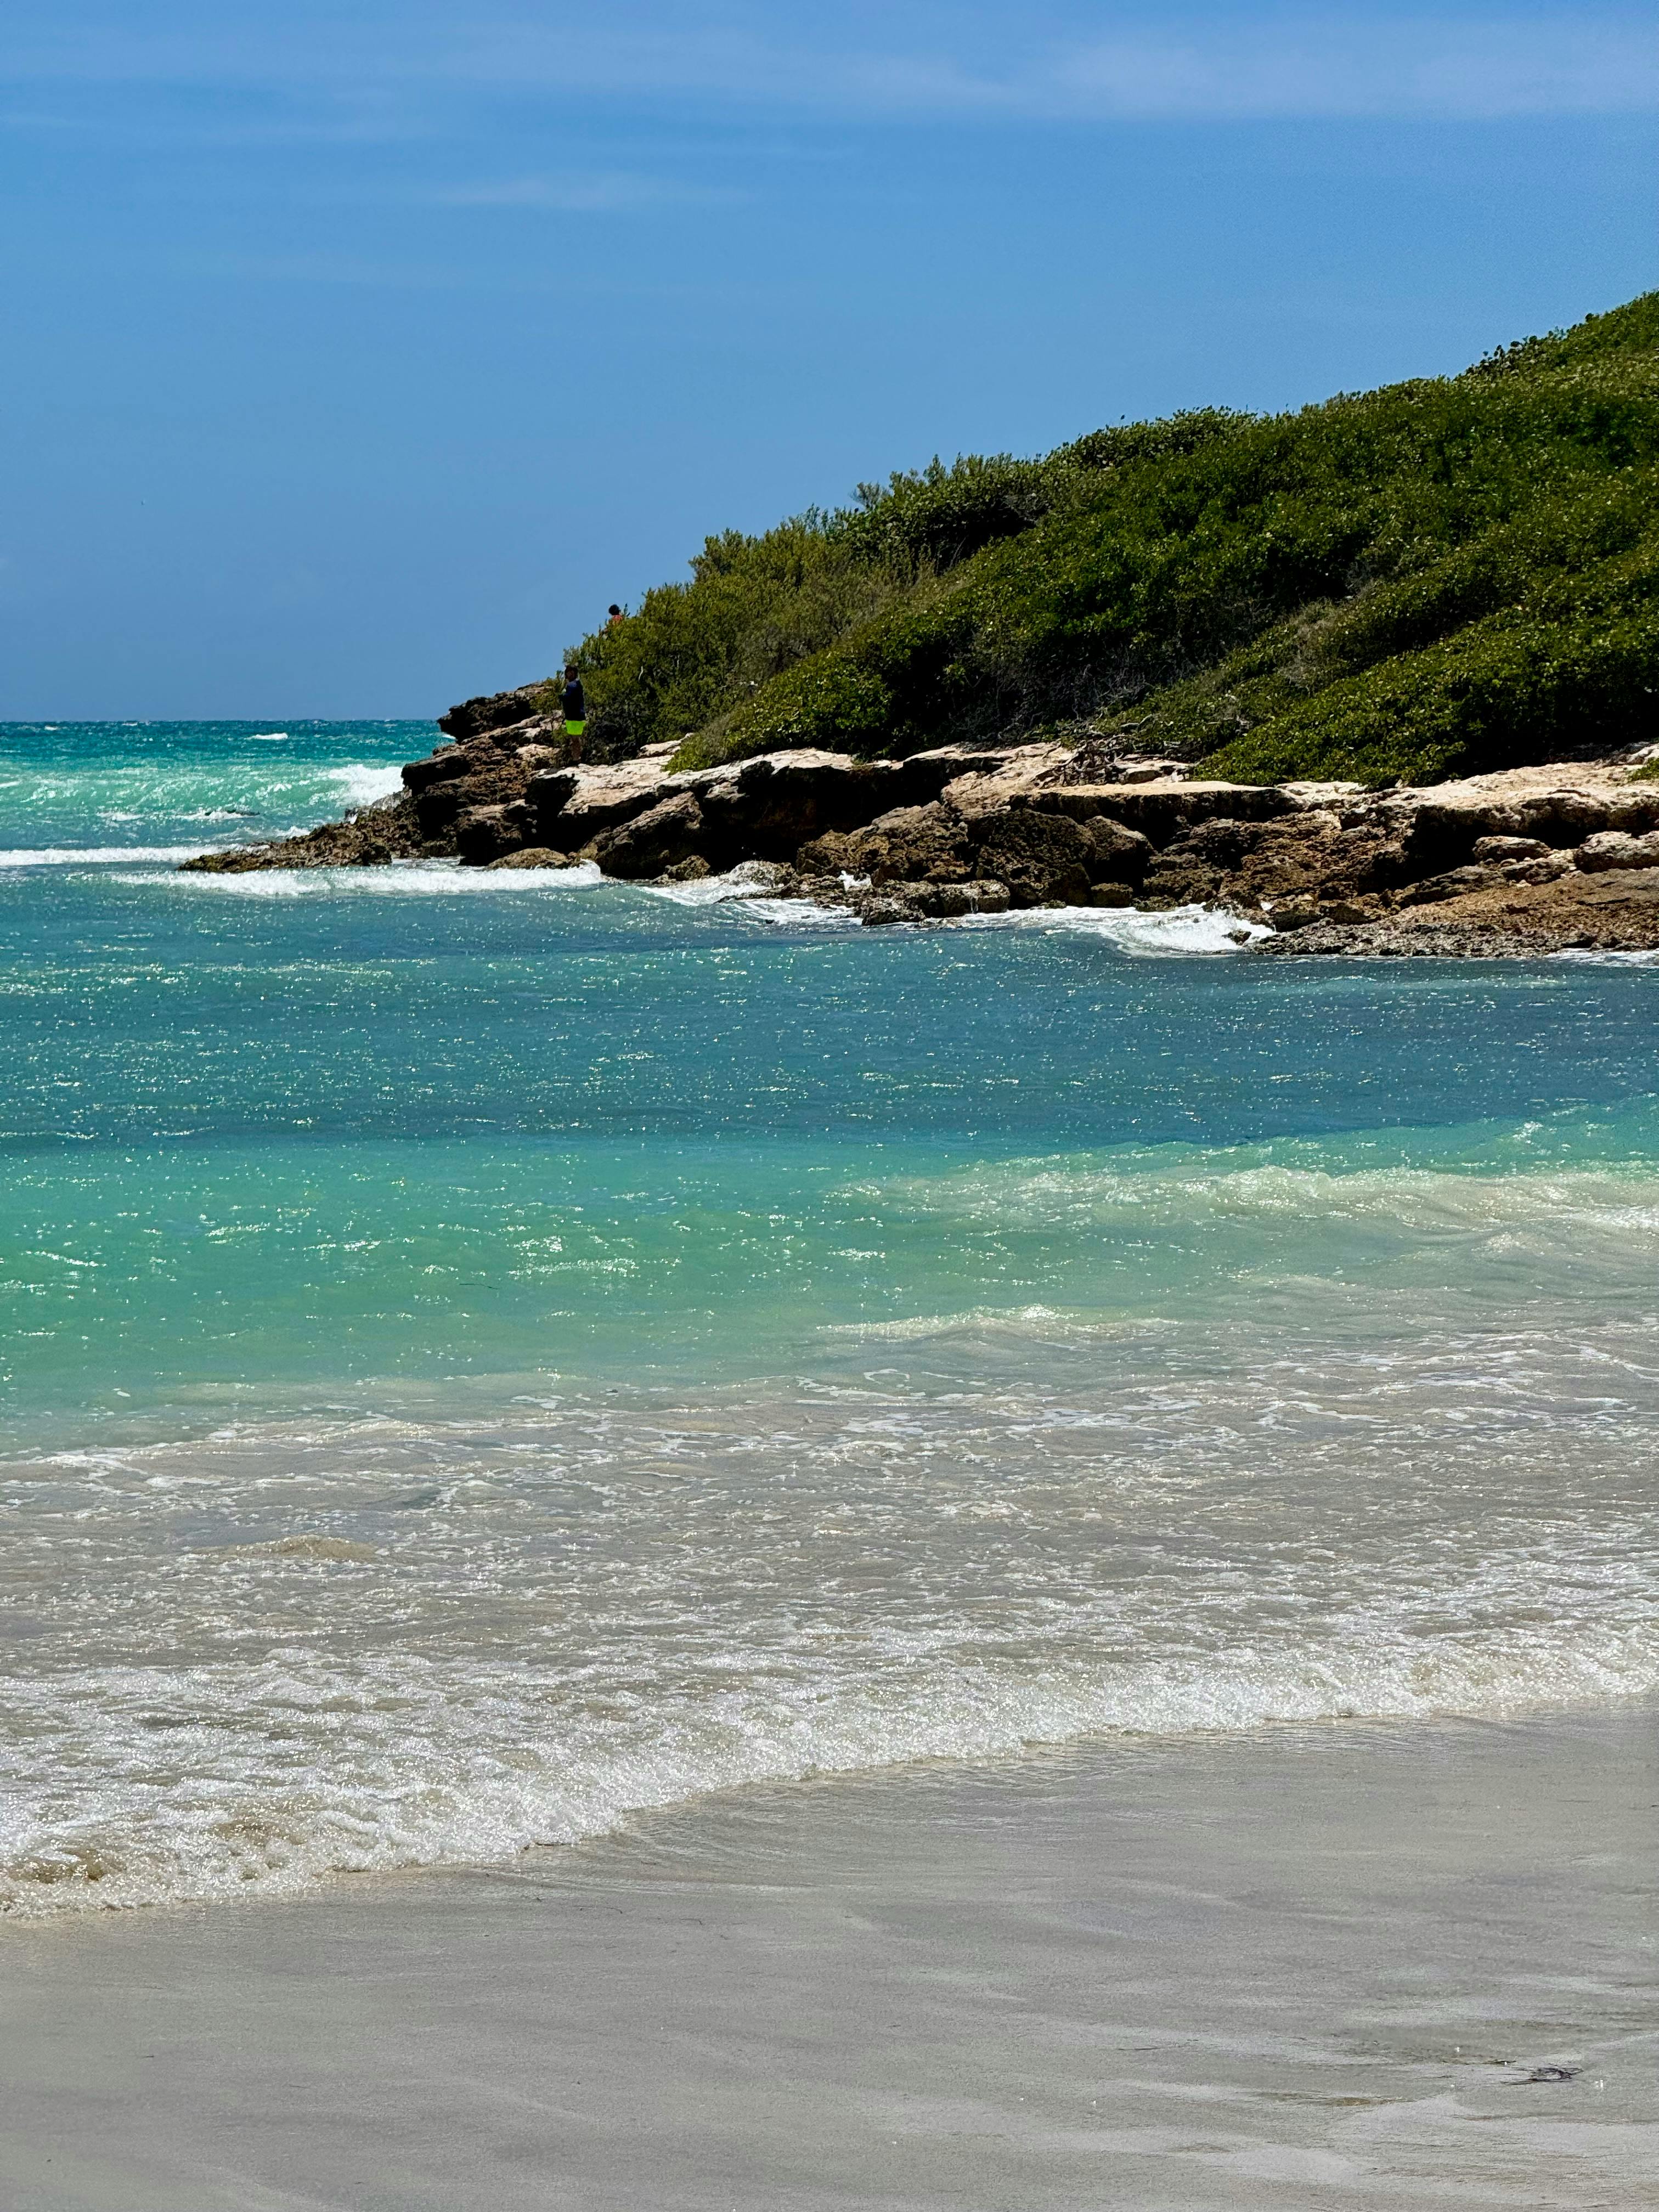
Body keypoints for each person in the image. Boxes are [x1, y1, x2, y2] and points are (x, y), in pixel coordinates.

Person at [561, 665, 586, 763]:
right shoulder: (577, 684)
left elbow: (568, 697)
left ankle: (577, 759)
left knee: (575, 739)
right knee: (574, 738)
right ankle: (577, 758)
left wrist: (562, 696)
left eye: (571, 672)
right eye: (568, 672)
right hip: (575, 715)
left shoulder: (573, 685)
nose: (569, 674)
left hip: (574, 716)